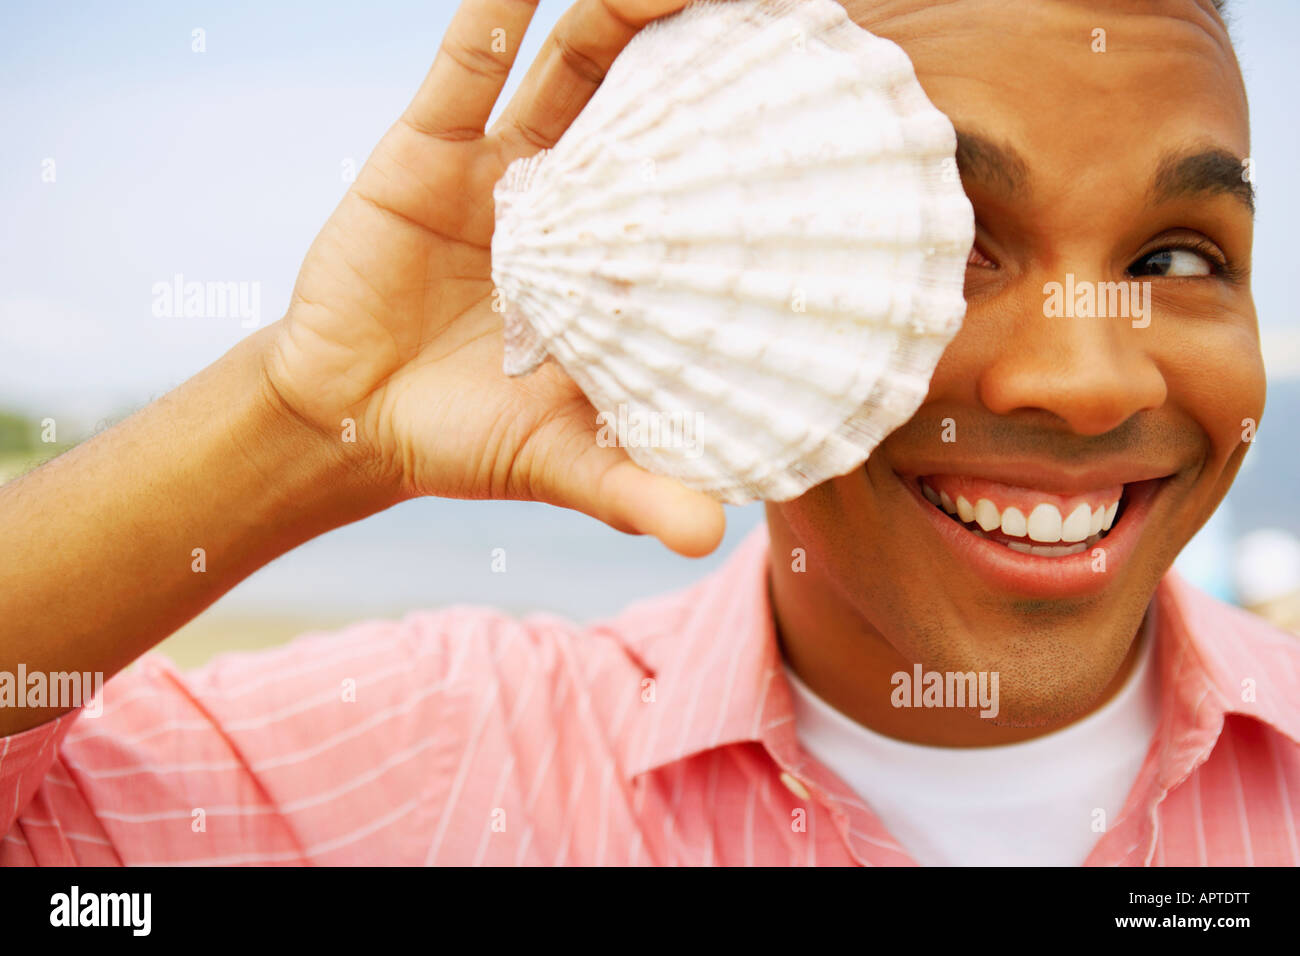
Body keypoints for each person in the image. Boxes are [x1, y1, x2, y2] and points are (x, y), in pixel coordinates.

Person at [2, 0, 1294, 866]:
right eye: (949, 242)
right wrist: (297, 423)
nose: (1083, 382)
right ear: (714, 278)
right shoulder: (457, 769)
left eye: (1178, 256)